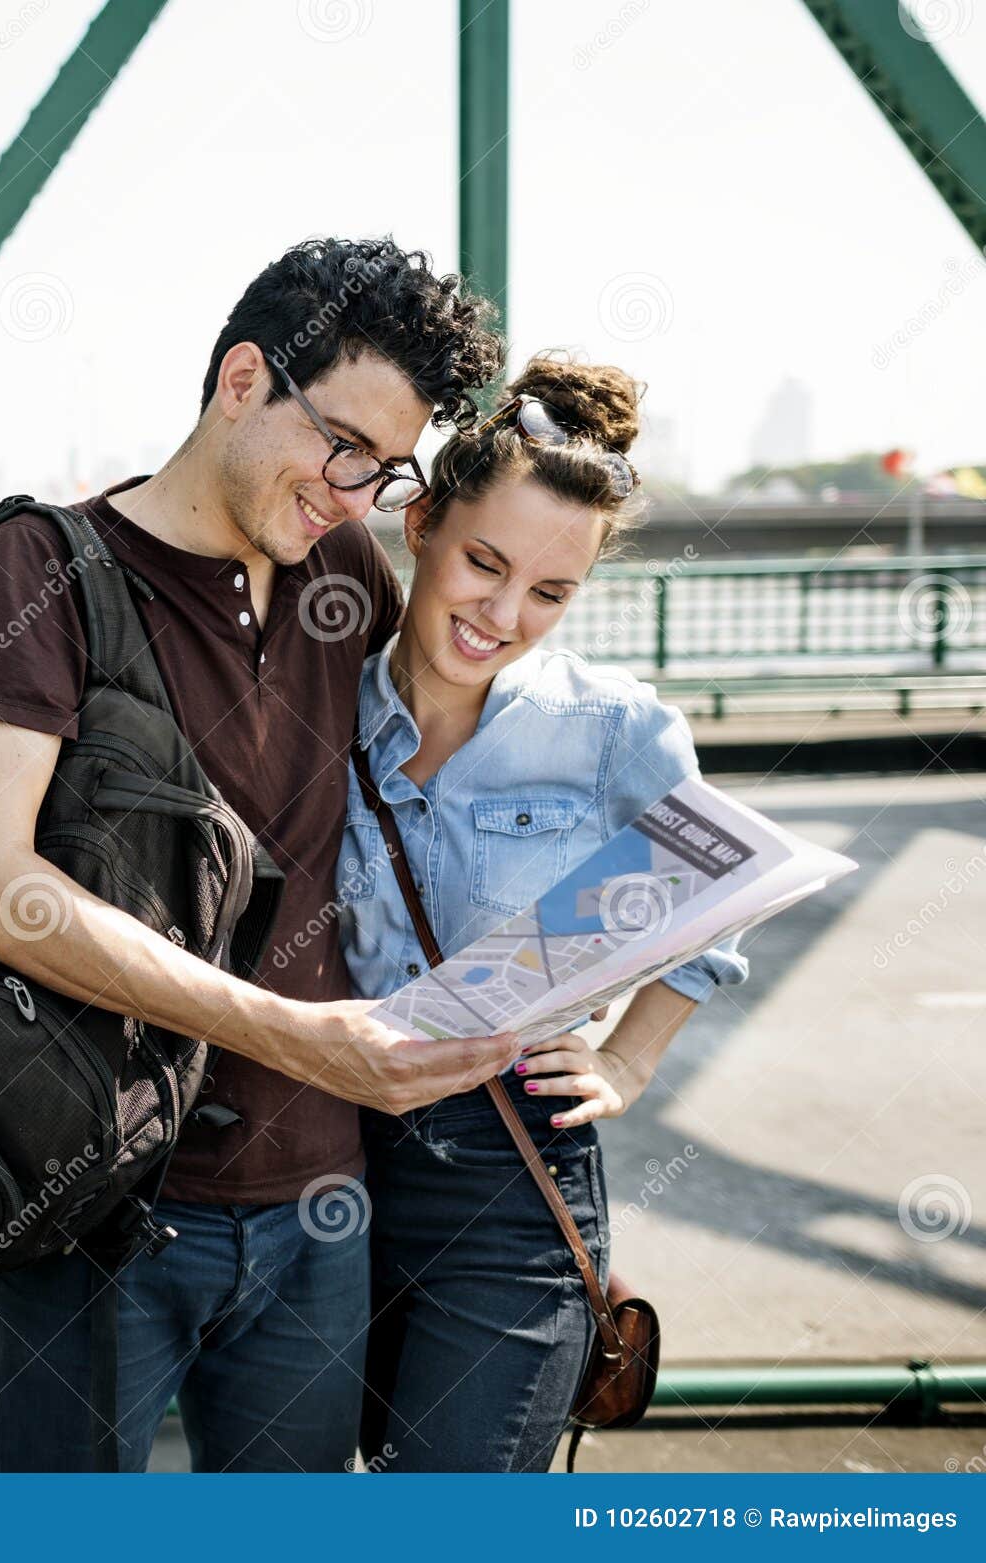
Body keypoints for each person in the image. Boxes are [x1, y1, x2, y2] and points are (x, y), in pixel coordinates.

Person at [0, 237, 515, 1471]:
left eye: (386, 471)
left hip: (321, 1206)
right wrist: (284, 1032)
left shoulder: (340, 565)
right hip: (94, 1205)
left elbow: (449, 781)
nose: (355, 497)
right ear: (241, 379)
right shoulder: (40, 570)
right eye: (342, 447)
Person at [337, 354, 749, 1473]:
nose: (503, 615)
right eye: (483, 563)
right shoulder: (314, 708)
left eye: (550, 594)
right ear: (420, 523)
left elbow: (720, 899)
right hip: (315, 1169)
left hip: (509, 1178)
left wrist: (629, 1062)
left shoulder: (613, 730)